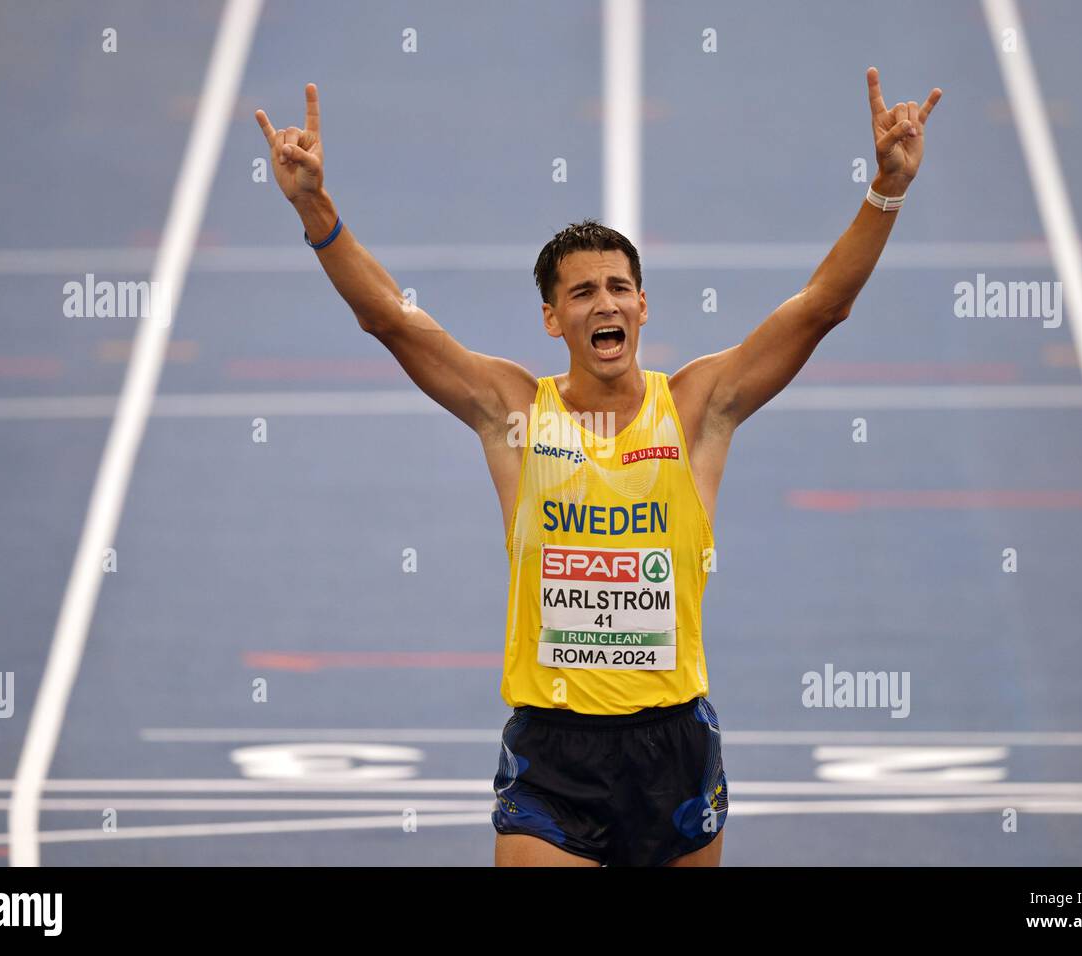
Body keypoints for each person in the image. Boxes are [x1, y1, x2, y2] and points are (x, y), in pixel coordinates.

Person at [254, 67, 941, 866]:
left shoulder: (696, 409)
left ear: (644, 306)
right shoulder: (512, 411)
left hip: (673, 744)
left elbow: (822, 306)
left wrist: (886, 189)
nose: (605, 303)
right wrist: (314, 206)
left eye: (620, 287)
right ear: (553, 317)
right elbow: (389, 319)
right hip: (555, 754)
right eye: (582, 293)